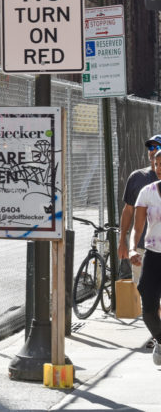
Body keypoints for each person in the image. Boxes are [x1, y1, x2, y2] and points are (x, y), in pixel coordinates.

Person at [119, 134, 161, 348]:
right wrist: (124, 242)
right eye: (151, 147)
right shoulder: (139, 181)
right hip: (148, 251)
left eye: (158, 147)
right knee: (147, 294)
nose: (153, 150)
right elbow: (130, 214)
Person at [129, 147, 161, 366]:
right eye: (157, 164)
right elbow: (137, 226)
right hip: (153, 255)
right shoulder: (147, 192)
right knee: (148, 307)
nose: (158, 168)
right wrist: (132, 247)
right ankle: (160, 339)